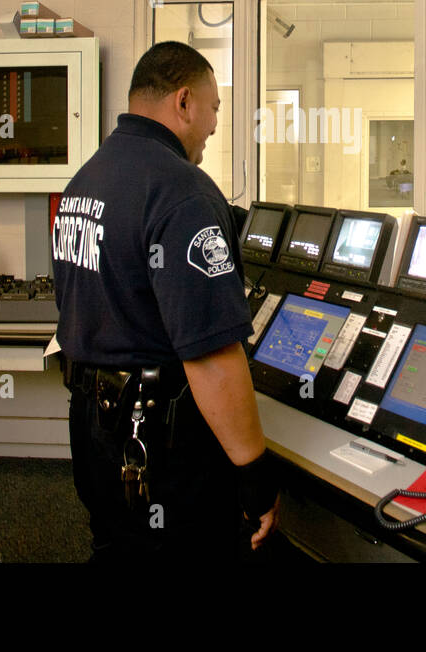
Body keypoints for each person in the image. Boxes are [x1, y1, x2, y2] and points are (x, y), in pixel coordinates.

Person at [53, 41, 278, 563]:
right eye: (215, 107)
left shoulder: (85, 180)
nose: (215, 125)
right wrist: (254, 475)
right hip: (157, 444)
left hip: (93, 432)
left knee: (117, 548)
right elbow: (212, 356)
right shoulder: (184, 193)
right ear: (184, 102)